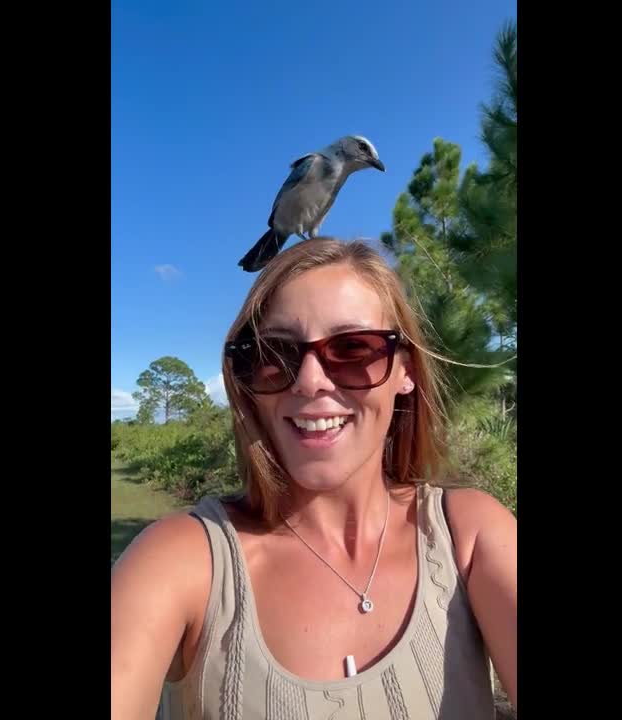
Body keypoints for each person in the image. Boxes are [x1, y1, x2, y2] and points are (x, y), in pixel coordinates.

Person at [111, 239, 517, 719]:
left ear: (405, 372)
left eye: (352, 348)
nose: (309, 380)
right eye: (273, 354)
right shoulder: (180, 561)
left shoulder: (469, 537)